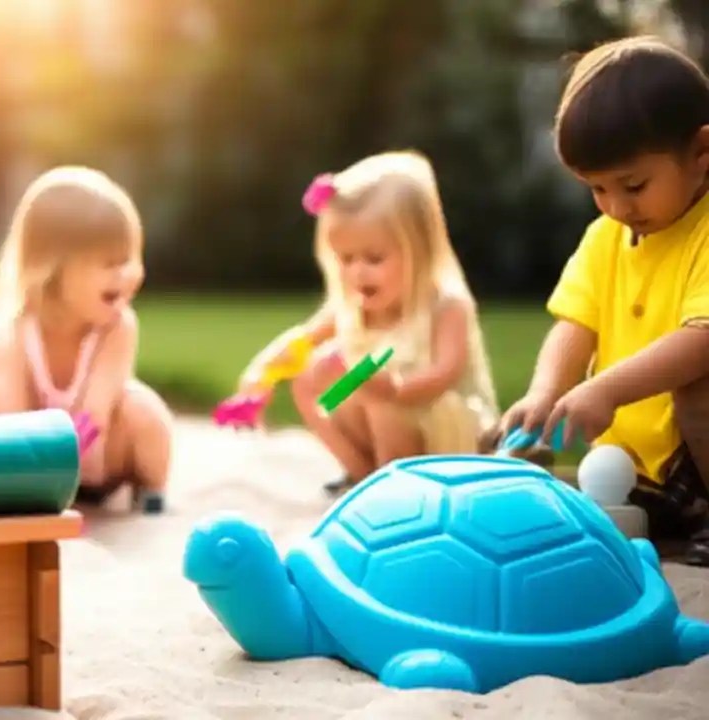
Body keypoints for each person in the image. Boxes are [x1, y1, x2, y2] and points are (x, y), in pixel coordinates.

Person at [499, 36, 709, 565]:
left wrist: (607, 389)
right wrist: (545, 393)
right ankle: (643, 504)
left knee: (699, 391)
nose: (616, 206)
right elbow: (576, 322)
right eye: (597, 189)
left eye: (633, 185)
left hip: (692, 455)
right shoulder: (605, 238)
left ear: (703, 154)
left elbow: (701, 340)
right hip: (634, 459)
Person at [235, 151, 499, 496]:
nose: (357, 272)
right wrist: (260, 375)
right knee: (310, 380)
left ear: (420, 250)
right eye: (345, 259)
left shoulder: (445, 306)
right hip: (378, 404)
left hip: (439, 431)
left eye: (374, 259)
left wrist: (394, 389)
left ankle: (393, 486)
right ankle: (362, 474)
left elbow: (446, 373)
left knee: (375, 397)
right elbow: (304, 339)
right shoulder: (354, 306)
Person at [0, 166, 173, 513]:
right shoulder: (16, 332)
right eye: (112, 263)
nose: (130, 274)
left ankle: (152, 489)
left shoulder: (118, 327)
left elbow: (96, 411)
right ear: (52, 269)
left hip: (100, 463)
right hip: (31, 469)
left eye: (131, 259)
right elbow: (8, 418)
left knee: (142, 410)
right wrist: (37, 477)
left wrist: (68, 461)